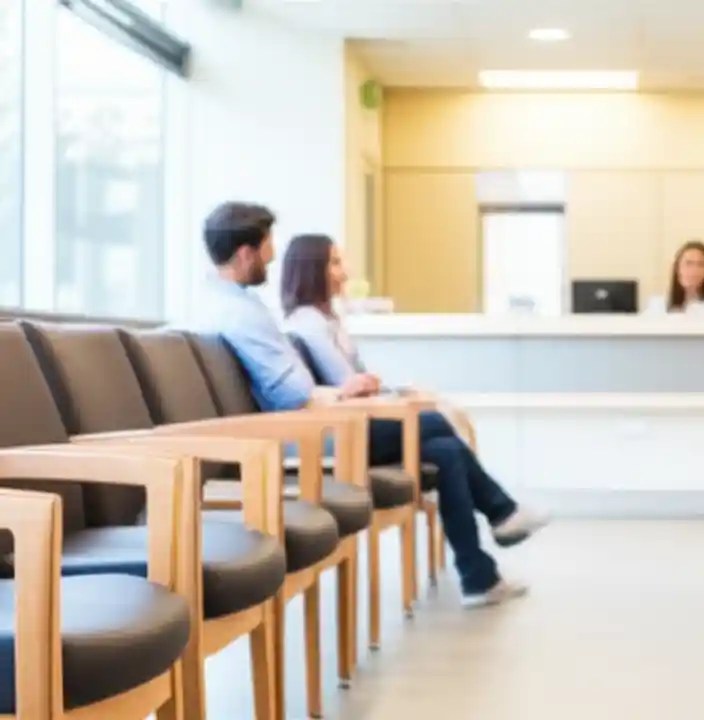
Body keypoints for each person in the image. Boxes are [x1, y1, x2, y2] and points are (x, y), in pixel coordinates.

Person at [190, 204, 545, 608]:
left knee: (444, 451)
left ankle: (481, 572)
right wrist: (331, 392)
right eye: (267, 248)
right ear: (246, 253)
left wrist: (326, 391)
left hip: (306, 423)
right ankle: (500, 518)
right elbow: (292, 392)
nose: (272, 258)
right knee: (432, 423)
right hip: (303, 436)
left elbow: (299, 386)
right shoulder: (243, 313)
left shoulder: (229, 304)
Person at [645, 240, 704, 316]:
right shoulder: (658, 305)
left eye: (700, 264)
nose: (694, 270)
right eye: (688, 263)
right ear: (677, 268)